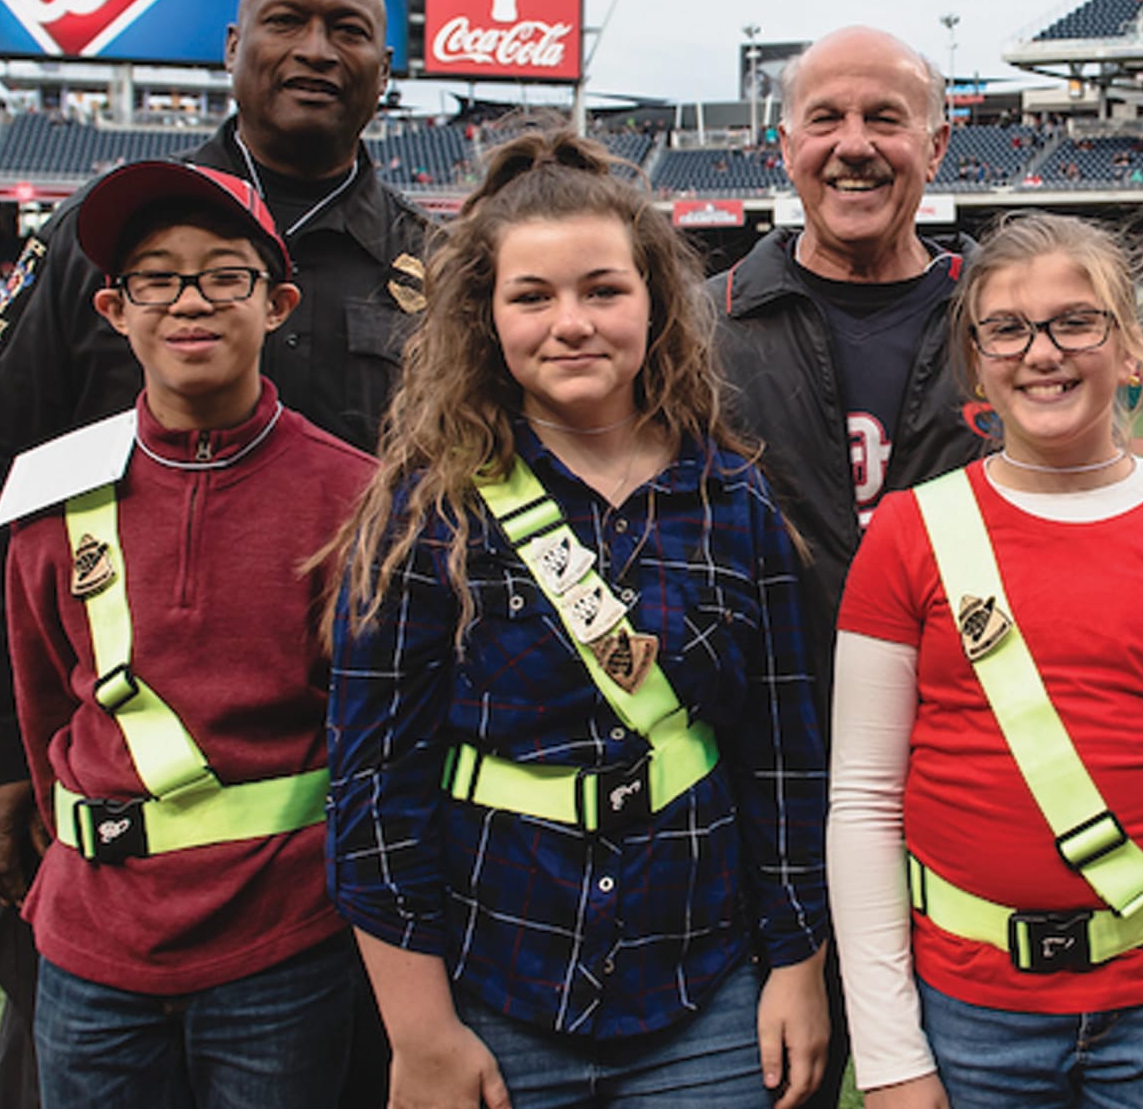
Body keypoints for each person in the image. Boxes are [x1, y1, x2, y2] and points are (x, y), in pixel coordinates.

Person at [0, 0, 429, 1108]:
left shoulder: (431, 271)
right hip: (115, 800)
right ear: (233, 48)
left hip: (321, 825)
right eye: (286, 22)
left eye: (349, 30)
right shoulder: (99, 240)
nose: (316, 50)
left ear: (386, 66)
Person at [325, 129, 829, 1108]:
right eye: (533, 296)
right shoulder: (430, 511)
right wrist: (422, 1031)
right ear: (485, 315)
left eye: (604, 290)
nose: (573, 323)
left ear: (654, 302)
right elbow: (374, 793)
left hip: (704, 990)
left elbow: (782, 760)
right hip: (494, 986)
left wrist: (798, 964)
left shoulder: (736, 502)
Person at [828, 212, 1143, 1108]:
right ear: (976, 360)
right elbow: (862, 797)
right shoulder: (907, 532)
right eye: (1006, 328)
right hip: (970, 1009)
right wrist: (891, 1051)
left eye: (1076, 322)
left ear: (1131, 348)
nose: (1040, 350)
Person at [2, 161, 374, 1106]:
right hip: (94, 943)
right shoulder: (57, 497)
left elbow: (371, 734)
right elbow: (46, 702)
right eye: (156, 279)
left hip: (282, 946)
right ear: (114, 310)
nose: (189, 302)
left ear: (278, 302)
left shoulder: (357, 497)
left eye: (224, 276)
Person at [713, 24, 993, 1106]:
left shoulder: (1003, 322)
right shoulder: (705, 327)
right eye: (826, 118)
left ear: (936, 142)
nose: (855, 145)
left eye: (885, 117)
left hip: (965, 780)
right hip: (763, 788)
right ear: (781, 145)